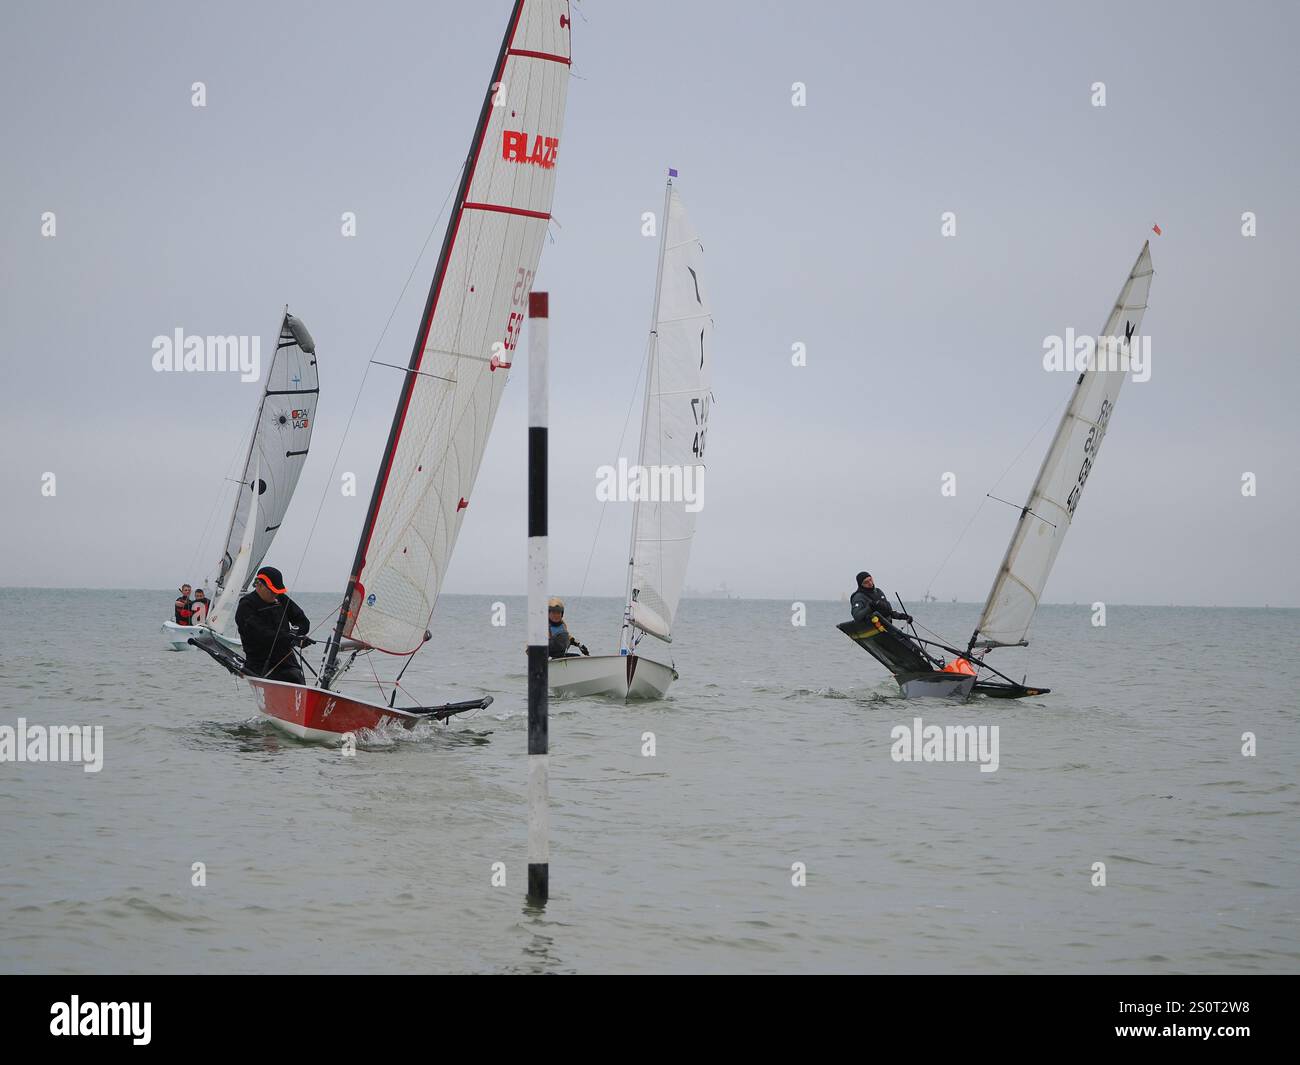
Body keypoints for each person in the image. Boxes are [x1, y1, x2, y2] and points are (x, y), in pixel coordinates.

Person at [235, 566, 311, 683]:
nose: (275, 594)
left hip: (286, 660)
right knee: (286, 677)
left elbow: (303, 621)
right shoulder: (246, 606)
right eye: (272, 591)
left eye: (277, 591)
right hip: (259, 663)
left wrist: (297, 635)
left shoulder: (281, 599)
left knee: (296, 677)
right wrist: (290, 638)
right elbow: (261, 634)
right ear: (259, 585)